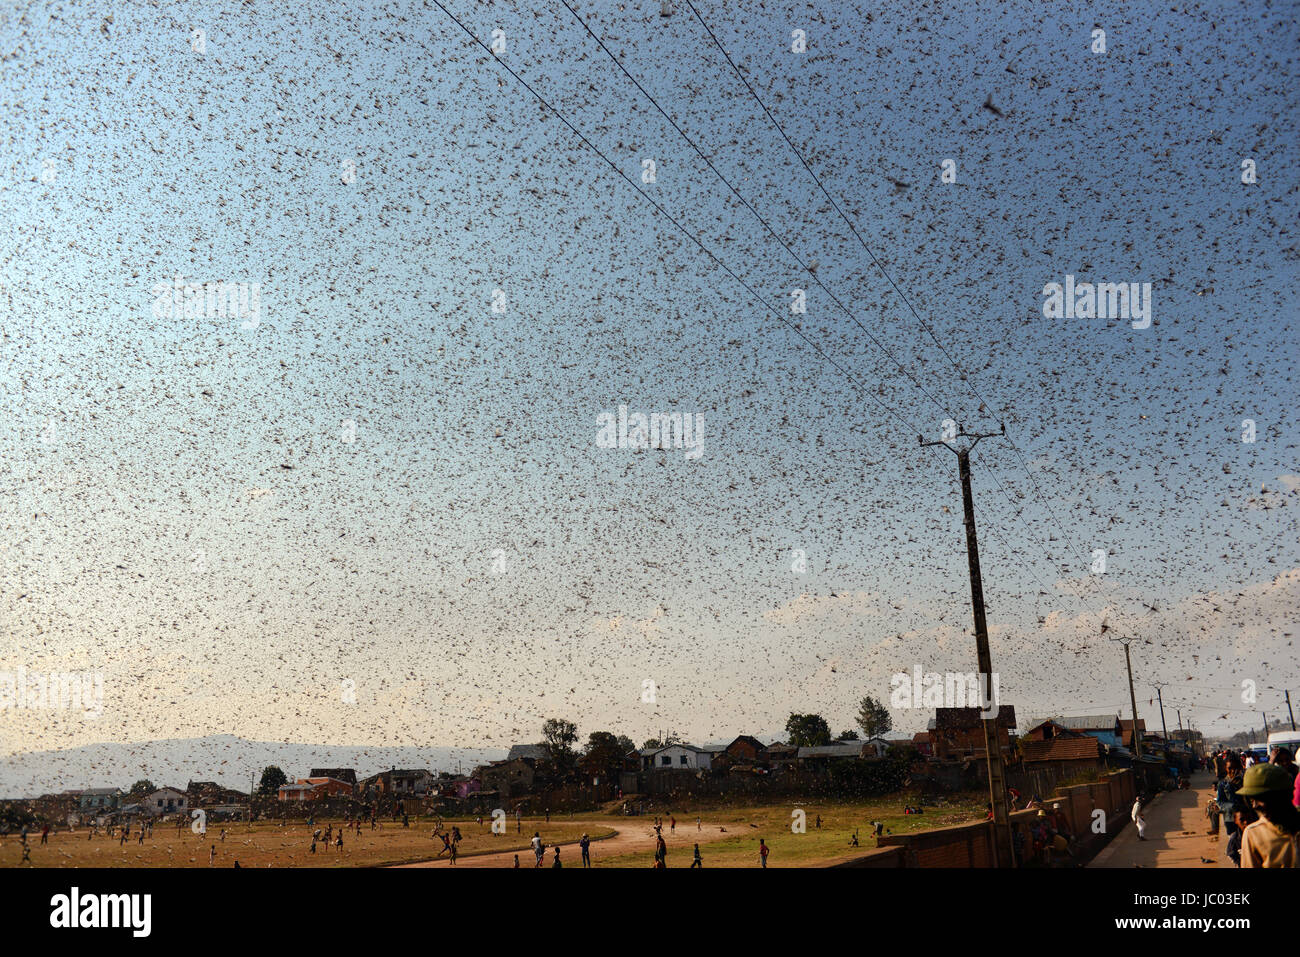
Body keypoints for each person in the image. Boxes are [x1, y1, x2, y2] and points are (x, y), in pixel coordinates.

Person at [1236, 763, 1300, 867]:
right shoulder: (1253, 834)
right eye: (1252, 800)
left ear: (1284, 795)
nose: (1255, 806)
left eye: (1261, 799)